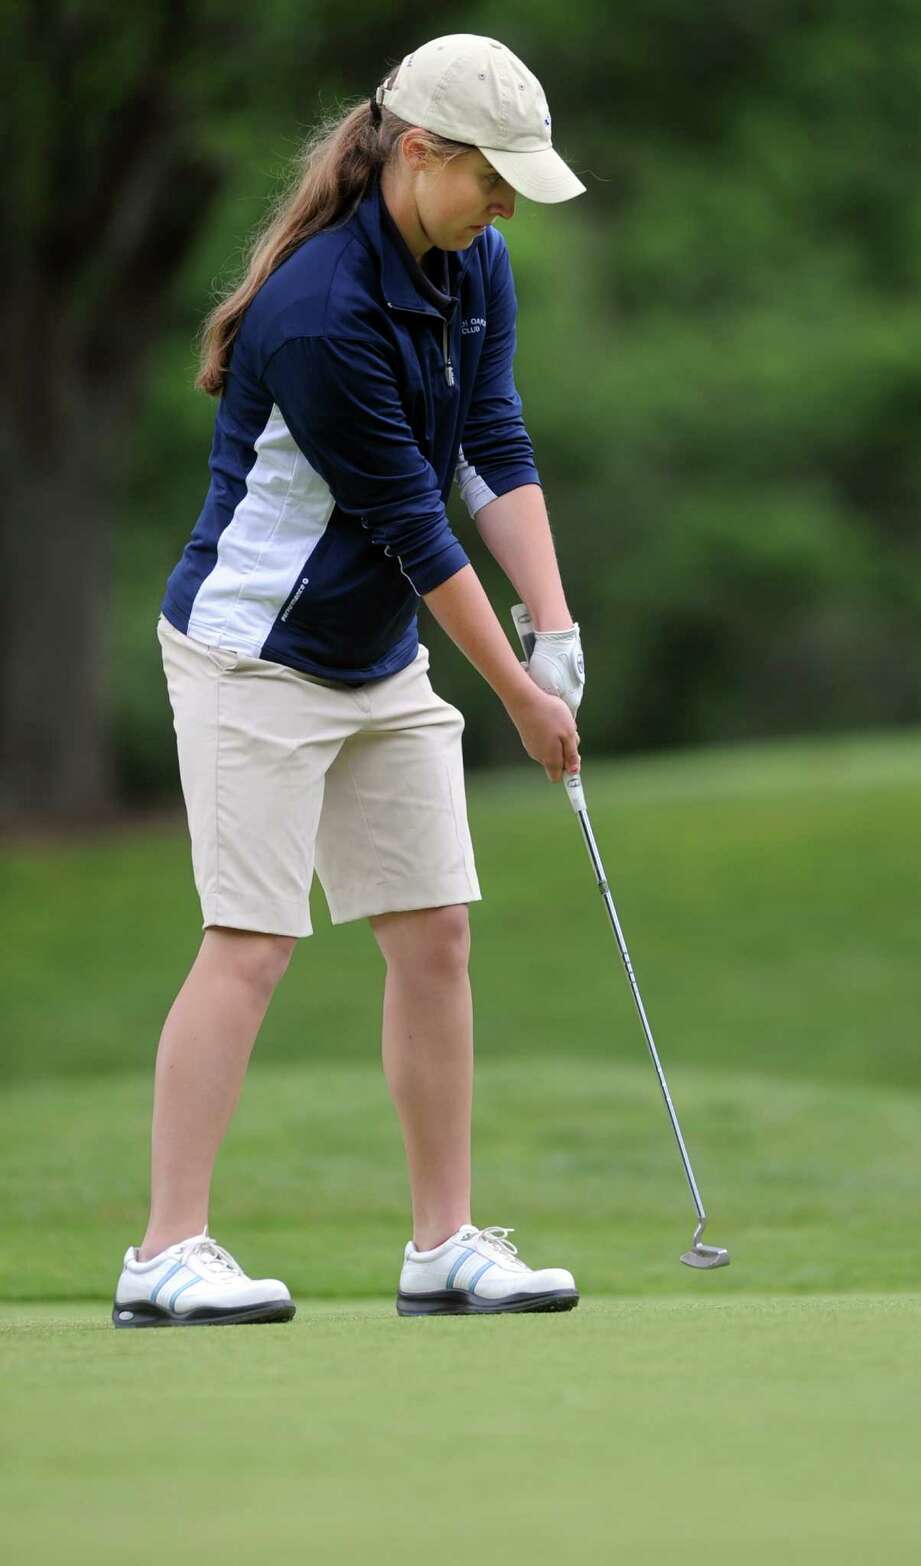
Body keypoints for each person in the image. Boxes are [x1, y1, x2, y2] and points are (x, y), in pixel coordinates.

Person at [111, 35, 588, 1328]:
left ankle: (442, 1242)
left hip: (377, 655)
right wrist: (521, 696)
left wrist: (556, 621)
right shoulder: (317, 311)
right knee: (253, 942)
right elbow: (411, 527)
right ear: (418, 154)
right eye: (493, 179)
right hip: (252, 655)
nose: (505, 207)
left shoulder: (470, 262)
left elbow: (491, 439)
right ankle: (164, 1250)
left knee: (435, 931)